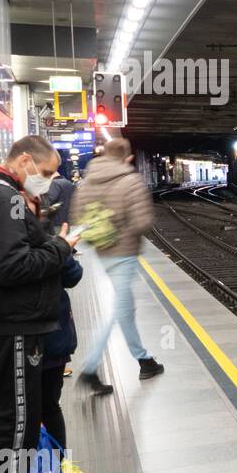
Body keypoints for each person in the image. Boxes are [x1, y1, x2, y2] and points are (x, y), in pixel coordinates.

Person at [0, 135, 80, 473]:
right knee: (13, 423)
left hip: (11, 325)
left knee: (17, 420)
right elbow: (10, 268)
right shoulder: (3, 200)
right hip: (10, 326)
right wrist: (62, 248)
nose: (49, 182)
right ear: (25, 161)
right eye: (46, 172)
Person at [73, 138, 163, 394]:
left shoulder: (87, 181)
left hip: (102, 252)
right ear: (128, 157)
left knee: (125, 308)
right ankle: (90, 368)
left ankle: (144, 359)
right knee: (116, 311)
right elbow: (142, 222)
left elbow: (78, 218)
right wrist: (122, 229)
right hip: (123, 252)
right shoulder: (130, 180)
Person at [39, 179, 89, 473]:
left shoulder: (42, 233)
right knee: (34, 408)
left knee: (43, 405)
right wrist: (61, 248)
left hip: (50, 337)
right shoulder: (36, 234)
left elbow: (72, 275)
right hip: (32, 336)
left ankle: (52, 468)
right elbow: (71, 274)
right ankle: (46, 471)